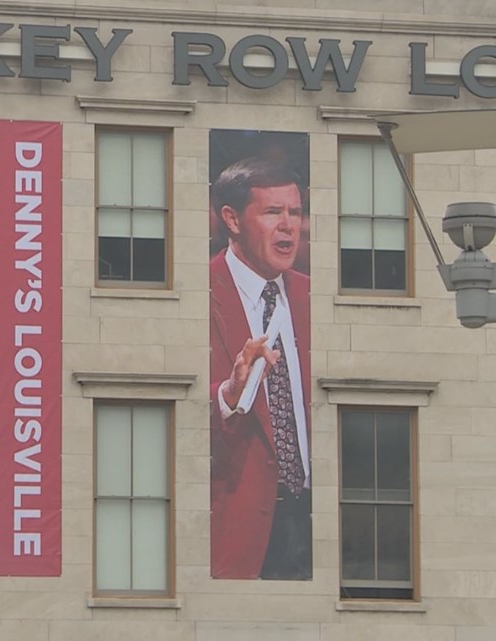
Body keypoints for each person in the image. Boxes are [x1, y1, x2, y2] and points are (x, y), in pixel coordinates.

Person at [210, 155, 312, 580]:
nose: (289, 225)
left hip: (310, 526)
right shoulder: (196, 291)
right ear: (232, 219)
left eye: (295, 212)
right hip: (239, 526)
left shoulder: (311, 295)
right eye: (273, 212)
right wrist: (230, 395)